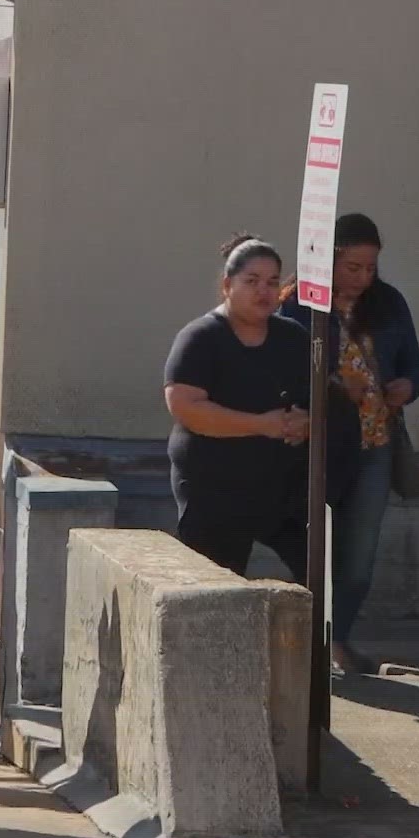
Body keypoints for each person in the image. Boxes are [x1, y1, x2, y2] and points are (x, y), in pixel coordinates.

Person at [280, 214, 419, 675]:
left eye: (370, 268)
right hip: (317, 448)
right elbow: (282, 371)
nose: (363, 278)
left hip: (374, 443)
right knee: (312, 549)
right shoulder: (298, 304)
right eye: (353, 267)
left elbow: (415, 364)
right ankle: (304, 645)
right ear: (329, 260)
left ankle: (336, 640)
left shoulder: (389, 303)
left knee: (360, 552)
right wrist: (332, 385)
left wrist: (408, 385)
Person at [164, 237, 315, 582]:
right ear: (227, 285)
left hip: (281, 485)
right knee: (214, 587)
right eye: (252, 281)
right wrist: (262, 424)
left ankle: (323, 636)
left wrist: (304, 421)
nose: (264, 291)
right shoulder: (201, 338)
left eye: (273, 282)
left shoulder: (292, 338)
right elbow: (186, 407)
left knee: (322, 570)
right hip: (215, 485)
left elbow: (317, 396)